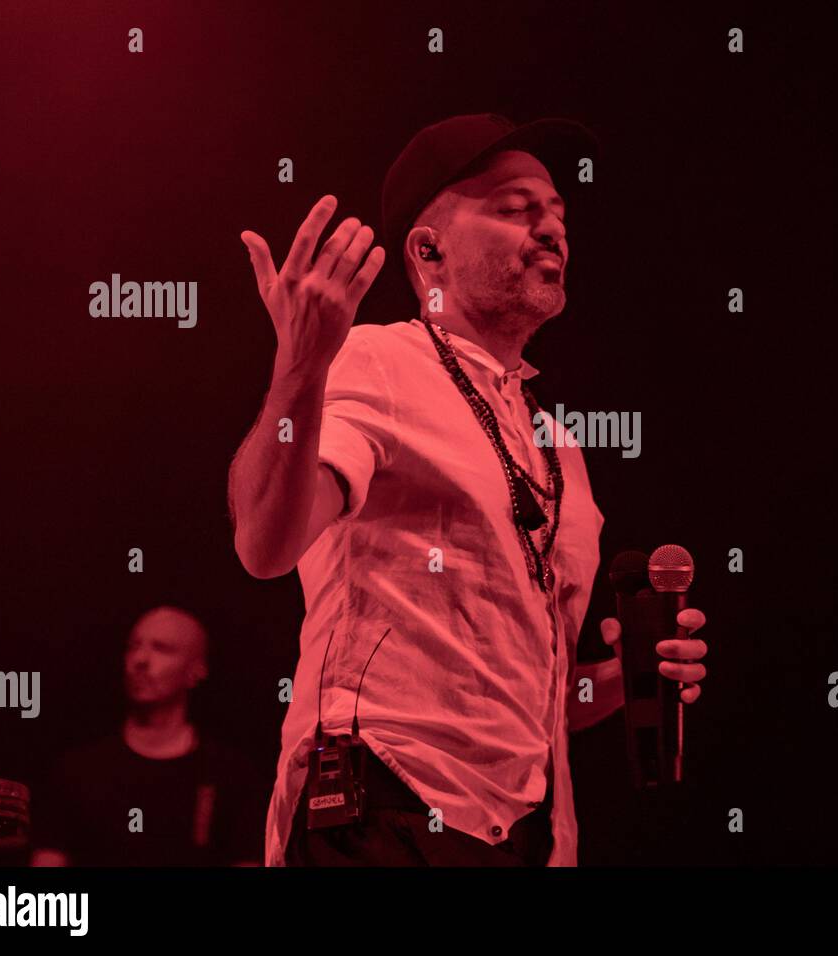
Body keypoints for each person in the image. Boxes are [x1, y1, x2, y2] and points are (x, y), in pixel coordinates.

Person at [230, 114, 710, 866]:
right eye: (518, 209)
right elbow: (264, 542)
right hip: (382, 809)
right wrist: (300, 366)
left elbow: (539, 695)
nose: (552, 229)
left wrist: (623, 680)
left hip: (526, 838)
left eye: (559, 213)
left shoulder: (556, 445)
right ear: (430, 250)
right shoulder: (378, 359)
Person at [30, 606, 266, 866]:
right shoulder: (77, 772)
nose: (140, 659)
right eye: (133, 646)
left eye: (161, 648)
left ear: (196, 670)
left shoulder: (230, 775)